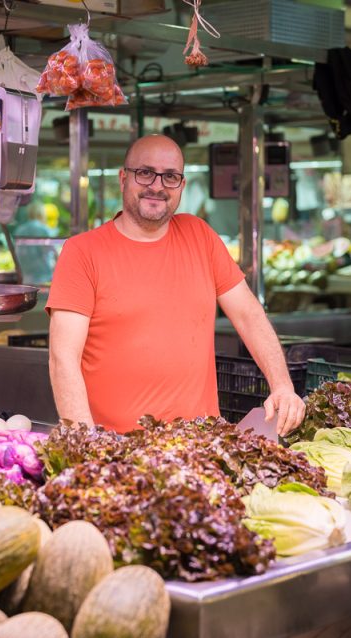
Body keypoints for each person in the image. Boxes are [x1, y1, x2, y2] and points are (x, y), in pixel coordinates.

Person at [46, 135, 306, 435]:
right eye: (145, 172)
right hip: (118, 451)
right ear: (123, 179)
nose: (157, 186)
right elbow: (63, 359)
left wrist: (283, 386)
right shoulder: (83, 252)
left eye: (170, 177)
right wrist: (87, 443)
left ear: (181, 186)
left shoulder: (200, 236)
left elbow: (249, 315)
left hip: (201, 446)